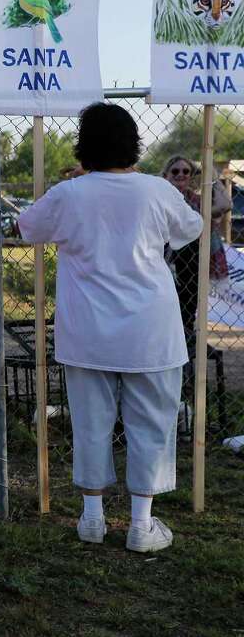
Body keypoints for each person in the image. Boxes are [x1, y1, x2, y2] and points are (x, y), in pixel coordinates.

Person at [18, 102, 202, 553]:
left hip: (87, 332)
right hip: (151, 331)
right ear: (132, 144)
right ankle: (142, 523)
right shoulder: (158, 190)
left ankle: (92, 518)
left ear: (84, 148)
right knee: (153, 423)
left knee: (90, 423)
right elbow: (191, 228)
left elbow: (27, 227)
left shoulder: (70, 194)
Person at [159, 155, 230, 355]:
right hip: (164, 264)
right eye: (175, 171)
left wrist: (213, 177)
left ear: (191, 177)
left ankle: (186, 364)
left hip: (190, 267)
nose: (180, 174)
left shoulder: (195, 201)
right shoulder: (159, 198)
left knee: (186, 315)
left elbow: (225, 204)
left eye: (186, 172)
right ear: (166, 176)